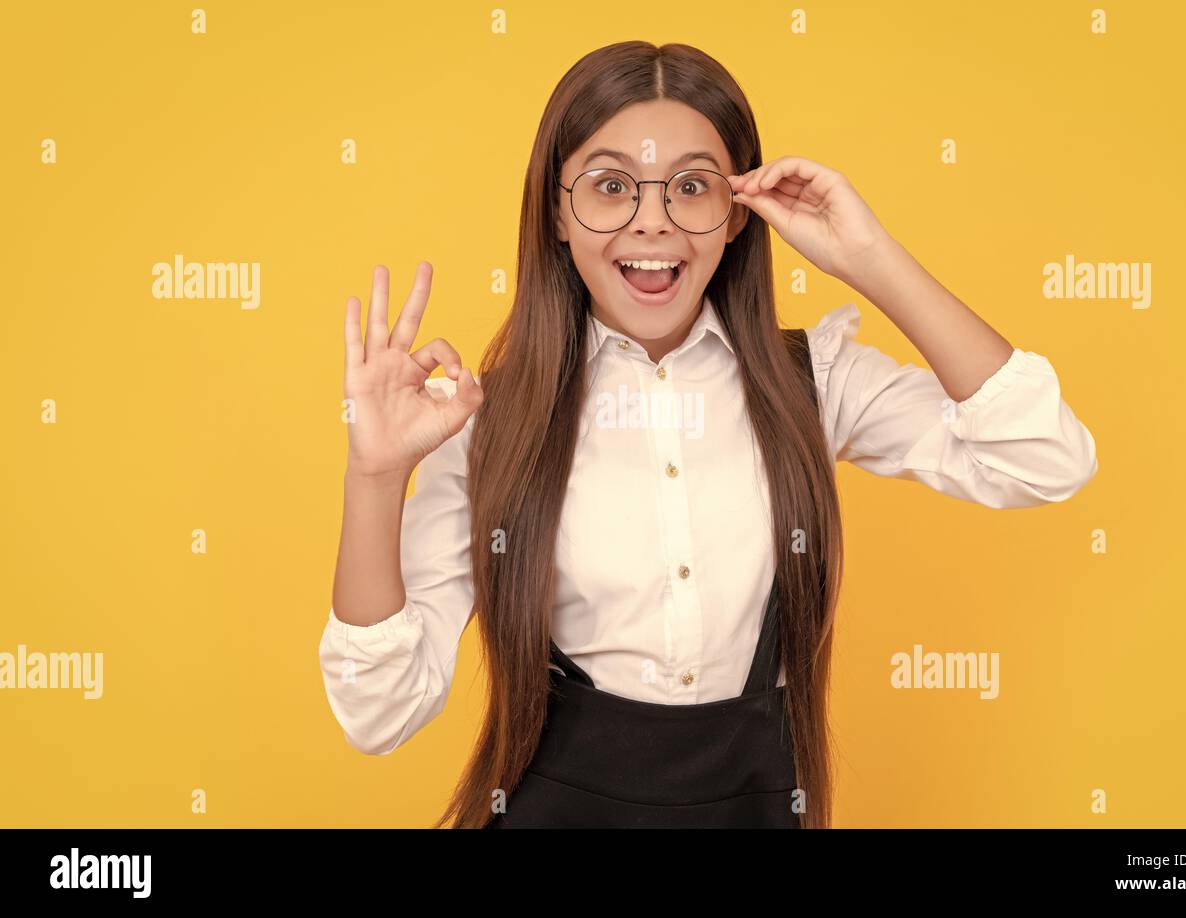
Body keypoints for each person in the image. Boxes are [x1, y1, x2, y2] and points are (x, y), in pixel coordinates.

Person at [319, 41, 1099, 829]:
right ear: (557, 211)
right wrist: (376, 477)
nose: (652, 221)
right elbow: (378, 713)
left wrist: (870, 257)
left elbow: (1043, 458)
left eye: (691, 187)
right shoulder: (491, 421)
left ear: (736, 213)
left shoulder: (813, 383)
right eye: (611, 185)